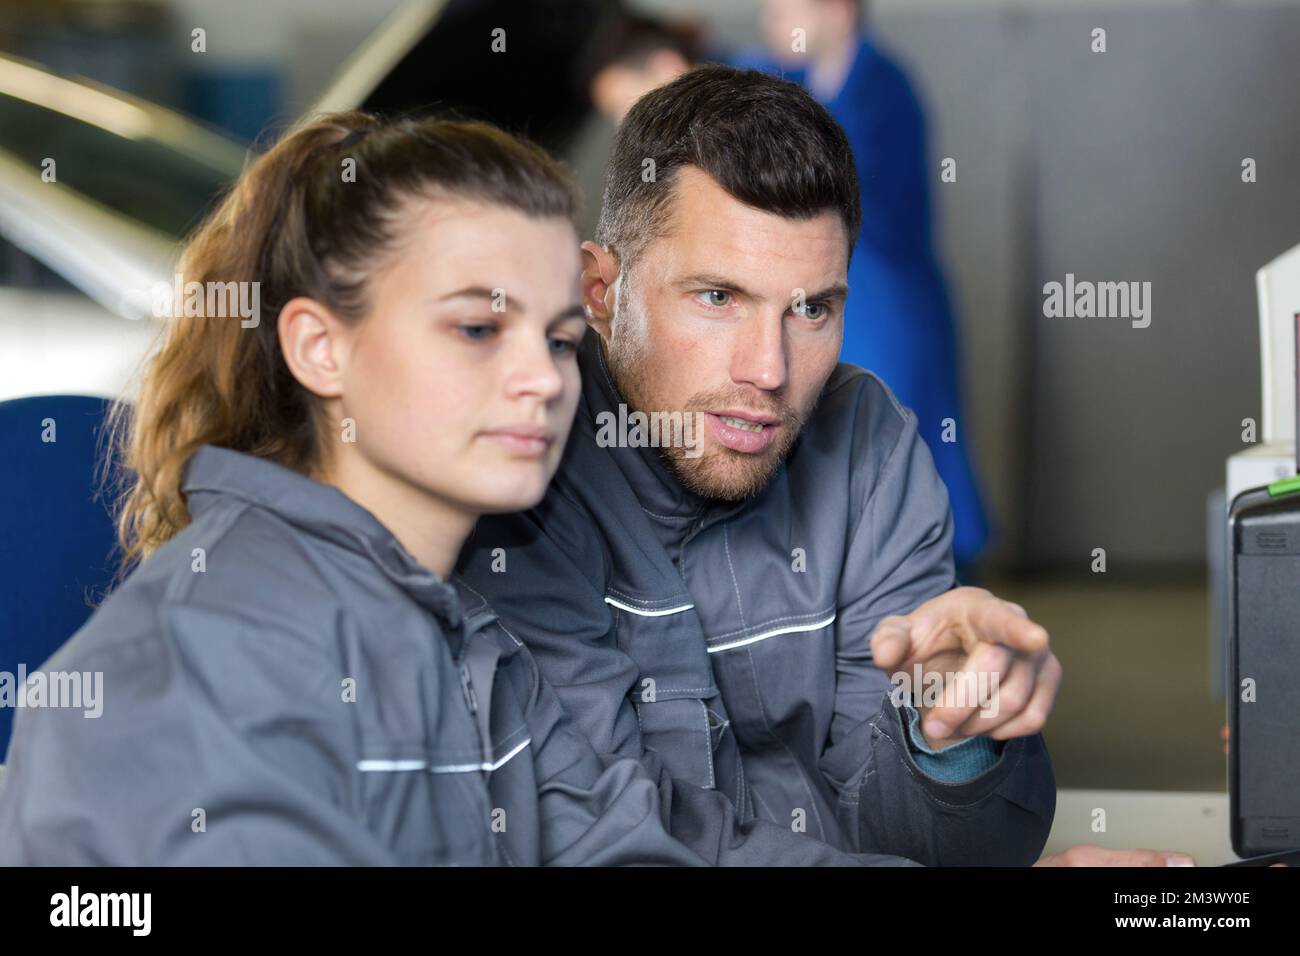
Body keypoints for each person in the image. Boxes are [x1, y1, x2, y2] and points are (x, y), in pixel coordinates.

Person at [0, 112, 883, 866]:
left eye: (562, 339)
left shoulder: (462, 638)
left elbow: (636, 845)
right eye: (476, 327)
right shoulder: (206, 663)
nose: (542, 379)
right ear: (321, 349)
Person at [460, 64, 1071, 866]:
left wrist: (946, 733)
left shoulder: (867, 453)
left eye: (811, 309)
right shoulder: (522, 468)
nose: (770, 371)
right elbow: (609, 842)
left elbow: (949, 848)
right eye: (719, 298)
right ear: (600, 291)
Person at [732, 0, 991, 569]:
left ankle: (940, 602)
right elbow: (735, 74)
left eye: (785, 7)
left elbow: (839, 184)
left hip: (890, 305)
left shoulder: (883, 89)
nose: (770, 19)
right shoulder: (793, 78)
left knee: (906, 451)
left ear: (840, 11)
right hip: (830, 301)